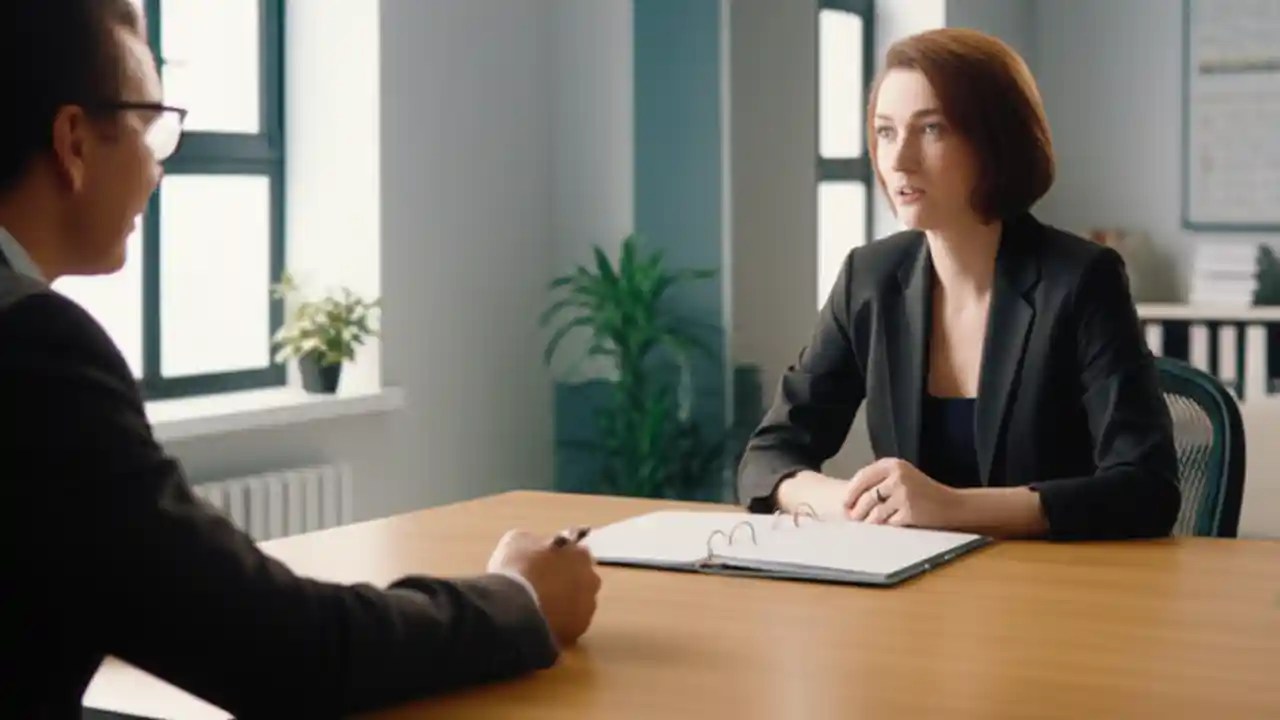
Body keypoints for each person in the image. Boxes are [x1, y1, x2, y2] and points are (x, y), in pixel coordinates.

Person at [0, 2, 600, 717]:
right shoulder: (36, 352)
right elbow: (288, 651)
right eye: (150, 125)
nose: (159, 170)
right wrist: (520, 597)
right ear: (72, 142)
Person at [737, 28, 1180, 541]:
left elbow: (1147, 487)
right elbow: (767, 458)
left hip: (1050, 580)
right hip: (911, 579)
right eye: (885, 132)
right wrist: (856, 503)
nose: (899, 160)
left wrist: (953, 508)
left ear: (996, 142)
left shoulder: (1082, 280)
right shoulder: (870, 279)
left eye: (932, 129)